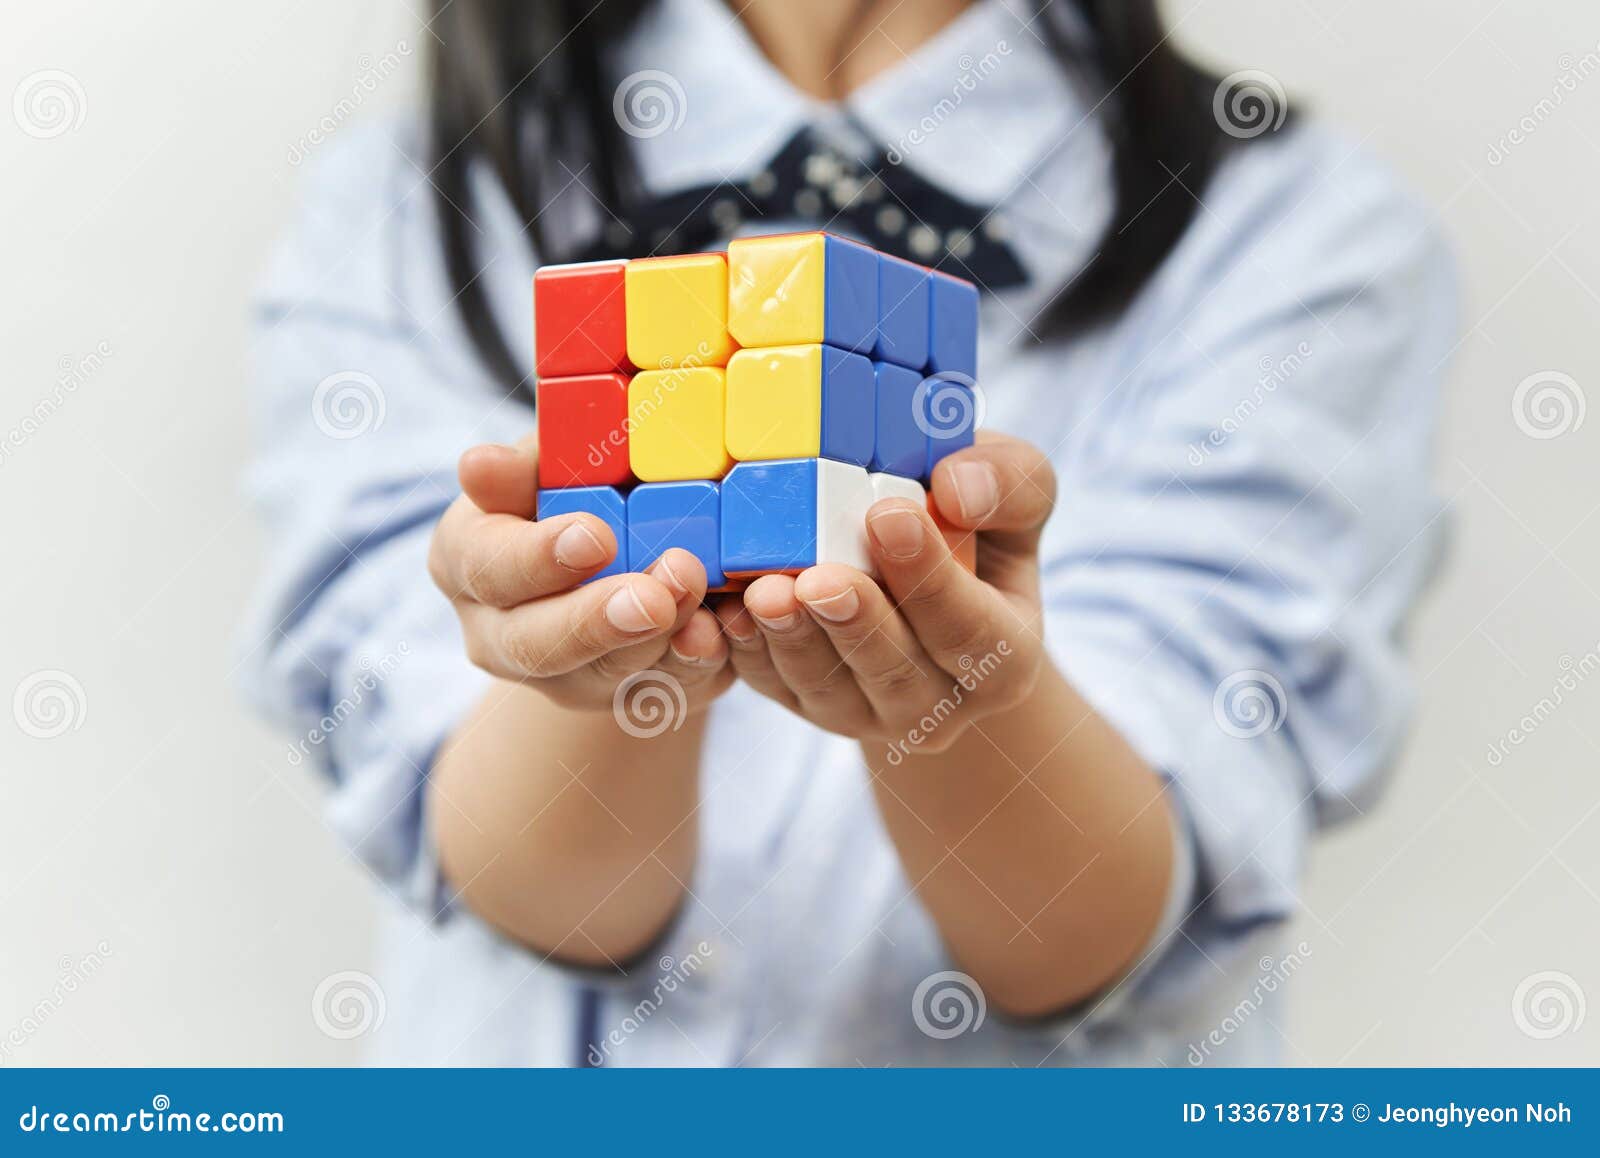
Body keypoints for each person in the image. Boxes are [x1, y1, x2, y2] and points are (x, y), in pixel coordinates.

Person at [242, 0, 1456, 1065]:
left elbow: (1095, 929)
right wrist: (605, 672)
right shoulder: (406, 205)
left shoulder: (1296, 232)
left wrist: (961, 707)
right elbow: (538, 887)